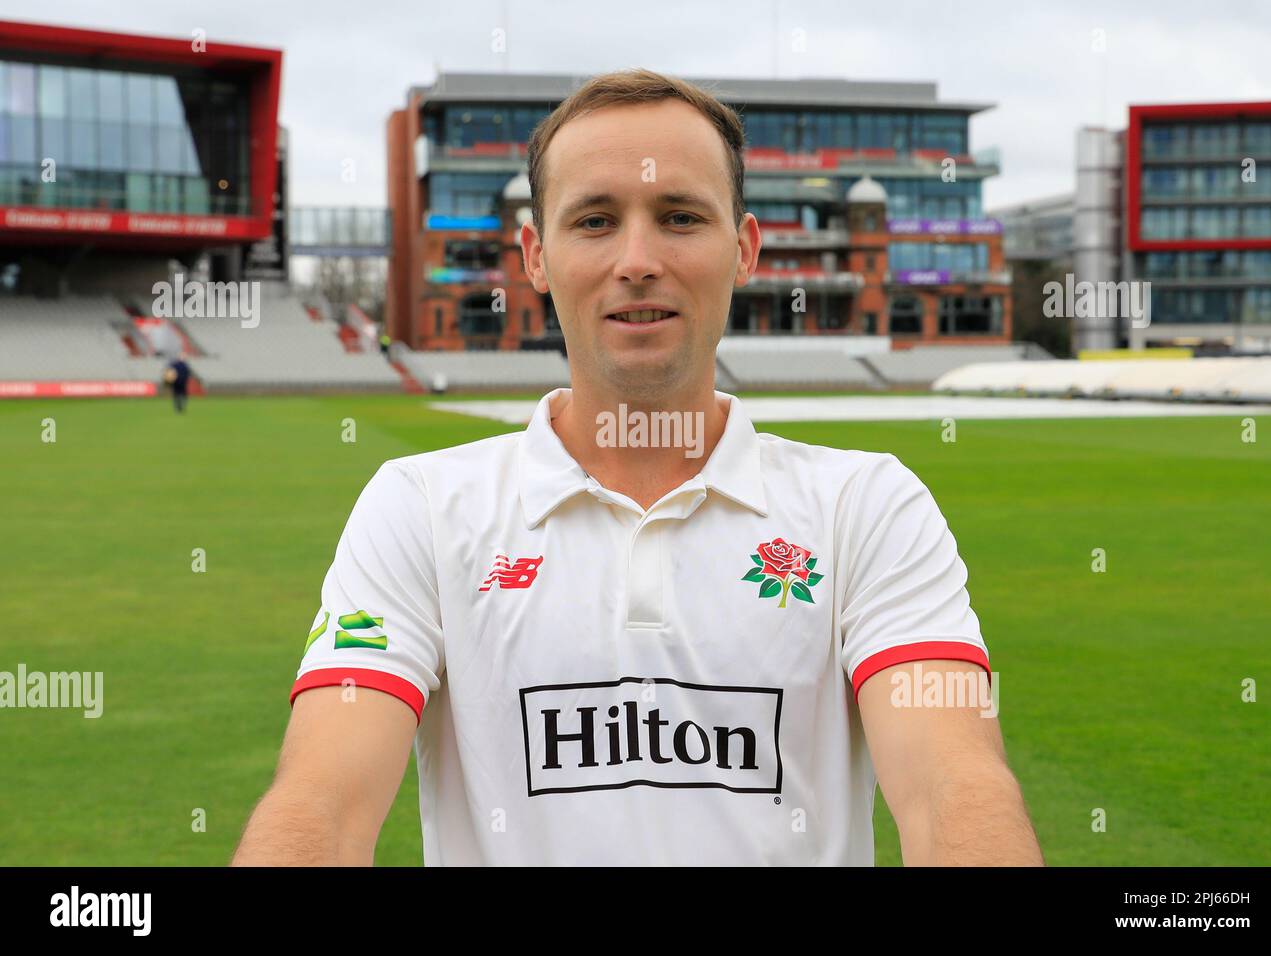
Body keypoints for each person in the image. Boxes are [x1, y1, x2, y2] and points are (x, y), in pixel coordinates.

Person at [233, 69, 1043, 867]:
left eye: (681, 217)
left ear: (744, 248)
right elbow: (322, 803)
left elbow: (955, 787)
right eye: (594, 221)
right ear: (535, 257)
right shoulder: (418, 507)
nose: (638, 259)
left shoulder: (866, 507)